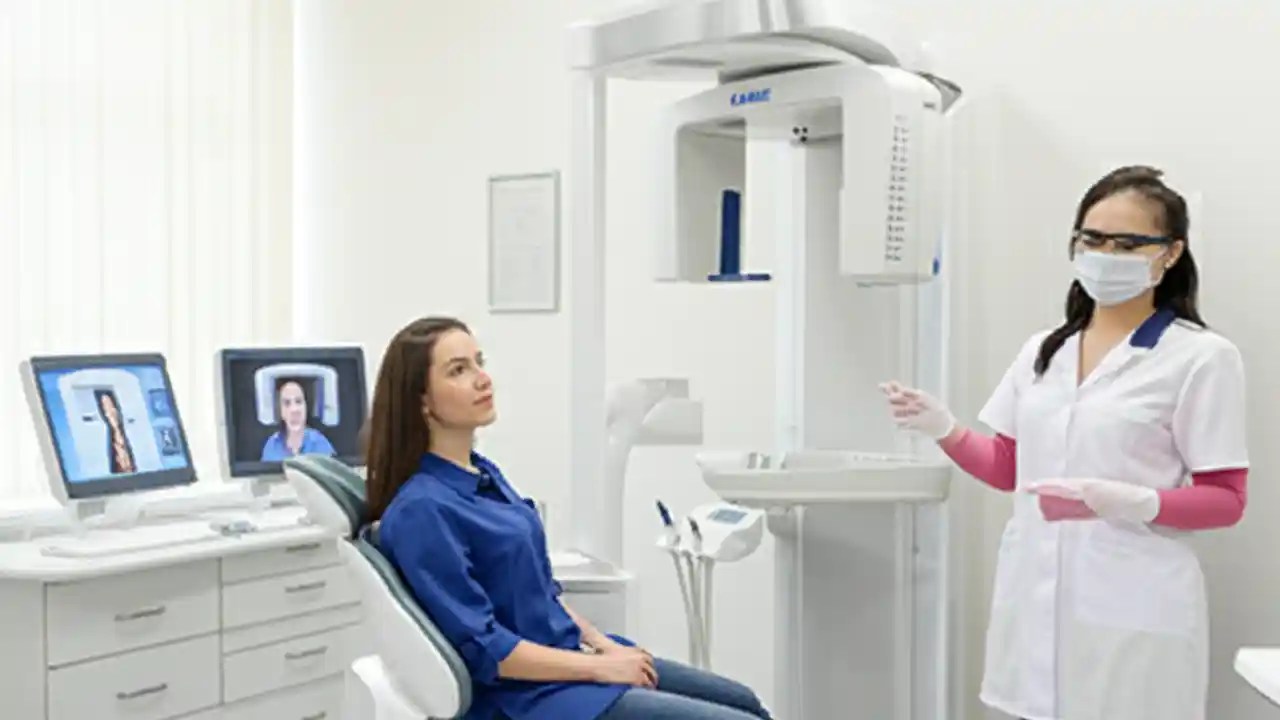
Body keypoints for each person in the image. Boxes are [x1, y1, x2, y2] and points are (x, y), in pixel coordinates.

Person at [882, 165, 1248, 720]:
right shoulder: (1043, 349)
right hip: (1034, 603)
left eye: (1127, 243)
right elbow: (1009, 467)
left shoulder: (1202, 357)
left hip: (1133, 605)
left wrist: (1135, 501)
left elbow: (1226, 499)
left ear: (1170, 254)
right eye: (1092, 239)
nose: (1105, 254)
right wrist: (946, 430)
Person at [366, 317, 772, 720]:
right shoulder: (422, 510)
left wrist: (603, 645)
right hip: (526, 699)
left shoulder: (484, 474)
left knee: (744, 701)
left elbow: (542, 594)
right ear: (421, 400)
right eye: (458, 370)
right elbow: (486, 650)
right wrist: (599, 668)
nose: (482, 379)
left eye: (478, 361)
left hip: (570, 661)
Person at [260, 378, 337, 461]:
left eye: (298, 401)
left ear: (306, 407)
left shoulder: (320, 443)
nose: (294, 410)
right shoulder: (272, 446)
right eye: (287, 403)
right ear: (280, 411)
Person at [96, 390, 137, 474]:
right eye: (106, 409)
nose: (110, 413)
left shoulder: (128, 431)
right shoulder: (107, 438)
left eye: (111, 407)